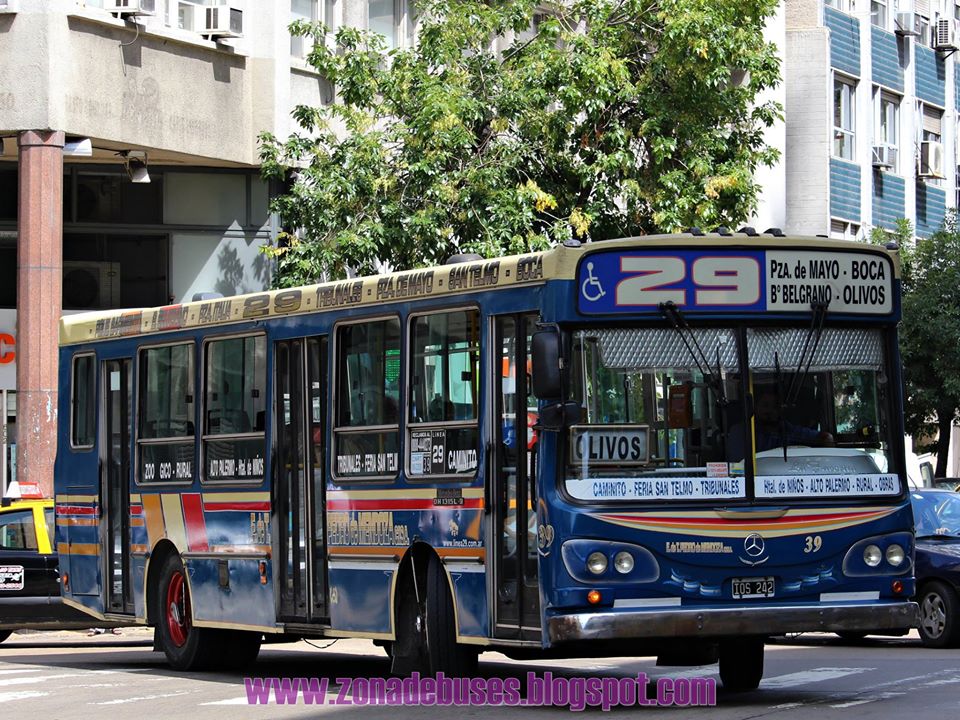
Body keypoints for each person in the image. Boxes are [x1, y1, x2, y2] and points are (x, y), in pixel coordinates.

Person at [752, 388, 833, 452]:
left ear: (780, 410)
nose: (769, 410)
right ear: (755, 407)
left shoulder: (789, 431)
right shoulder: (748, 433)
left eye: (775, 406)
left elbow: (826, 438)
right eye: (765, 405)